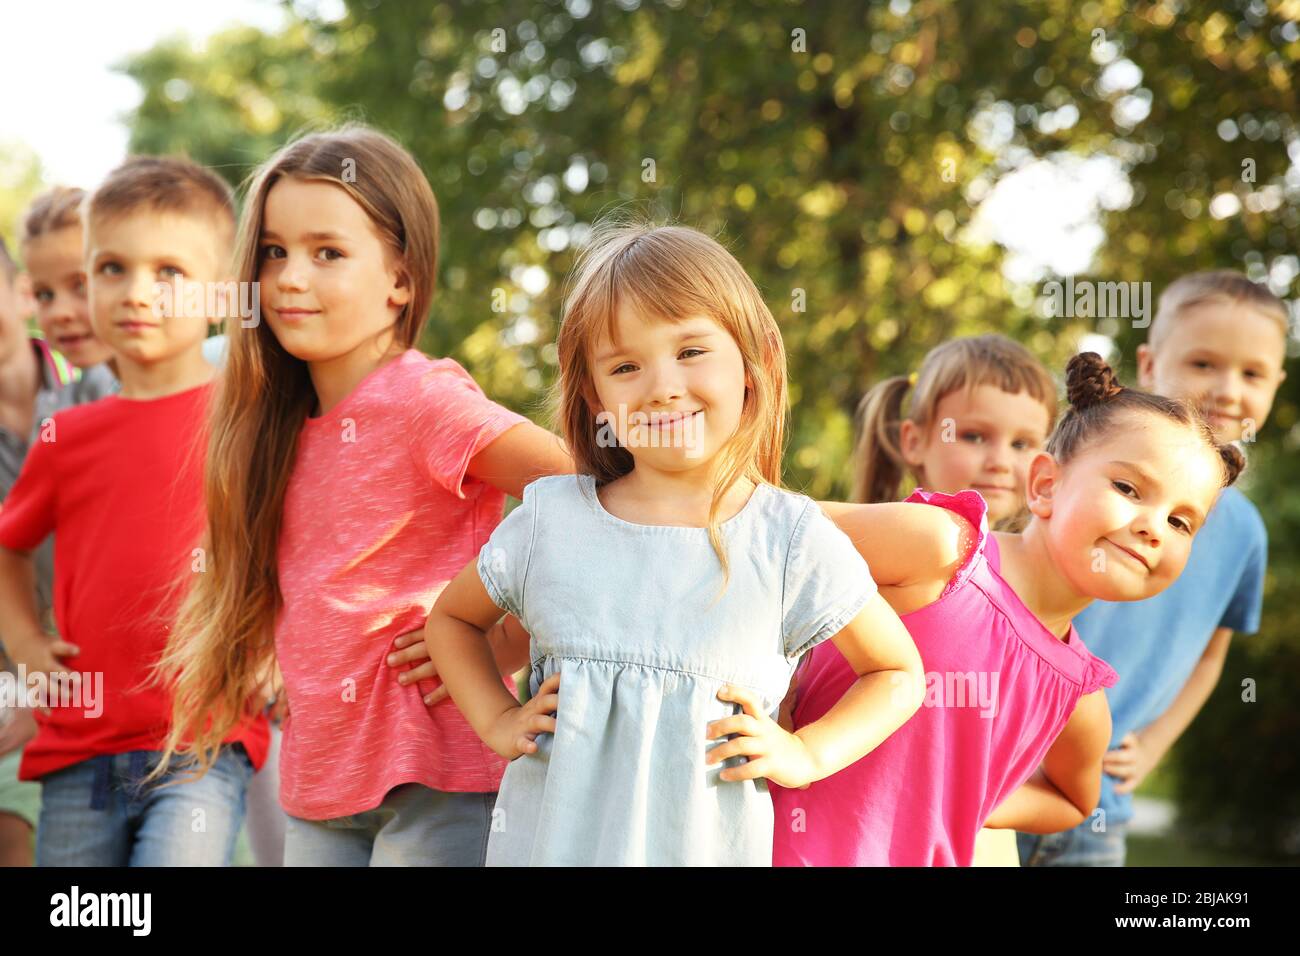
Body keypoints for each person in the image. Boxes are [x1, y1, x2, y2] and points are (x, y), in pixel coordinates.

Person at [426, 221, 927, 866]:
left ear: (751, 366)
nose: (661, 385)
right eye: (626, 365)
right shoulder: (551, 520)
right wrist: (497, 721)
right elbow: (454, 619)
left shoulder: (789, 539)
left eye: (690, 351)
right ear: (595, 397)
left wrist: (805, 754)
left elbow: (896, 674)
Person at [154, 125, 572, 867]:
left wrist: (505, 636)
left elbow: (584, 488)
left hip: (437, 776)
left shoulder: (425, 401)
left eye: (328, 253)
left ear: (401, 280)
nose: (288, 277)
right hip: (319, 787)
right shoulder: (271, 426)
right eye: (274, 252)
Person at [773, 352, 1243, 866]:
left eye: (1181, 522)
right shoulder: (941, 549)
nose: (1154, 526)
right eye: (1128, 488)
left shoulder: (1079, 699)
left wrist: (969, 798)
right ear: (1046, 485)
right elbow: (772, 527)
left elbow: (1072, 799)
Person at [0, 156, 270, 866]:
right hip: (78, 747)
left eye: (169, 272)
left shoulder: (246, 422)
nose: (135, 293)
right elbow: (9, 545)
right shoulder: (66, 434)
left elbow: (294, 542)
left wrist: (278, 644)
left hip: (203, 741)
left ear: (218, 292)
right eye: (111, 269)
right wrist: (27, 647)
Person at [1019, 271, 1288, 867]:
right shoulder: (1094, 484)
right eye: (1202, 364)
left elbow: (1211, 658)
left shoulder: (1244, 534)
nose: (1226, 389)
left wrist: (1155, 744)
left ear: (1277, 386)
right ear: (1149, 362)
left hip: (1099, 804)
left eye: (1252, 374)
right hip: (1009, 765)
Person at [851, 333, 1057, 865]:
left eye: (1021, 443)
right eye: (973, 435)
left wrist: (966, 798)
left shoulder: (1043, 587)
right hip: (863, 822)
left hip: (972, 843)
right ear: (914, 440)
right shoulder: (900, 550)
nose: (998, 462)